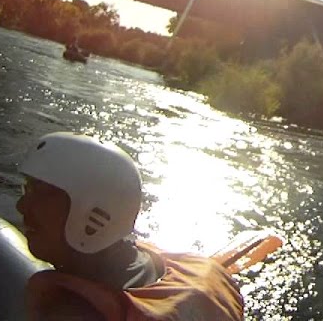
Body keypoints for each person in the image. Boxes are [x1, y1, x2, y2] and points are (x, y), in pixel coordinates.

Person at [16, 132, 244, 321]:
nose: (21, 206)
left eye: (42, 194)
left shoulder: (72, 313)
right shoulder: (165, 264)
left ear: (94, 214)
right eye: (27, 189)